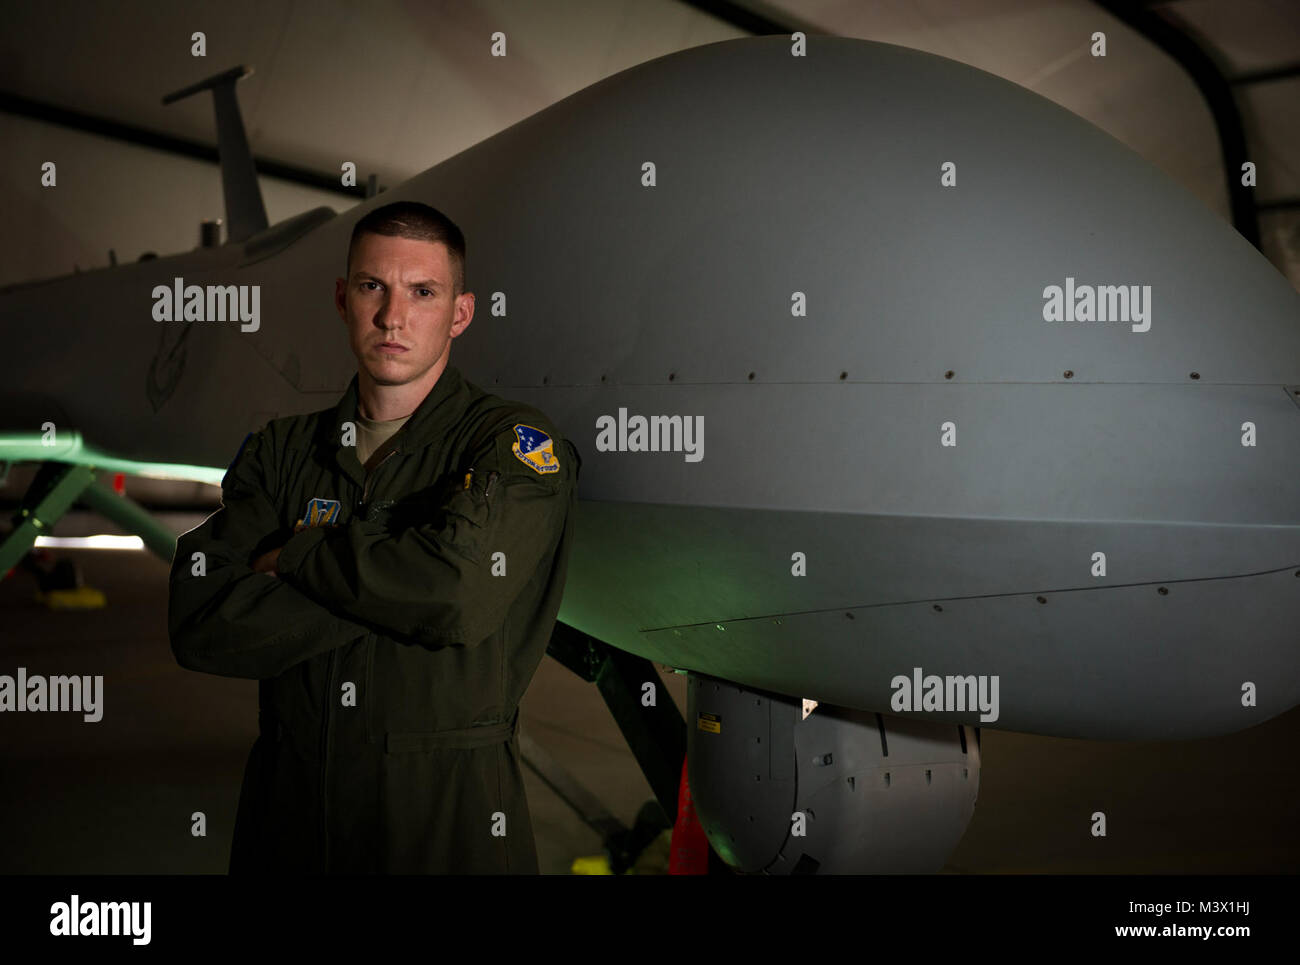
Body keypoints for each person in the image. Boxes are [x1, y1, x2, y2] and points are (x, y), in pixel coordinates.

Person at [168, 200, 580, 873]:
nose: (393, 316)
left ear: (460, 313)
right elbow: (199, 618)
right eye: (372, 287)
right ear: (342, 297)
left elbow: (457, 594)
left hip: (448, 822)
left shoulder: (512, 446)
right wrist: (403, 573)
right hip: (288, 822)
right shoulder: (283, 449)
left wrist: (299, 554)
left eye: (423, 292)